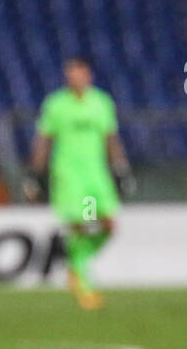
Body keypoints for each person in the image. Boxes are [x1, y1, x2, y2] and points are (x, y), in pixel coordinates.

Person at [23, 57, 134, 308]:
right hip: (70, 176)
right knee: (82, 223)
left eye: (79, 73)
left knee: (107, 224)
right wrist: (33, 175)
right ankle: (84, 284)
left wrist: (121, 168)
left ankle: (75, 265)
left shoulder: (101, 102)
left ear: (88, 75)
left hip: (97, 175)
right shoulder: (56, 104)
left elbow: (110, 137)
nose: (74, 77)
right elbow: (43, 141)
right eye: (70, 73)